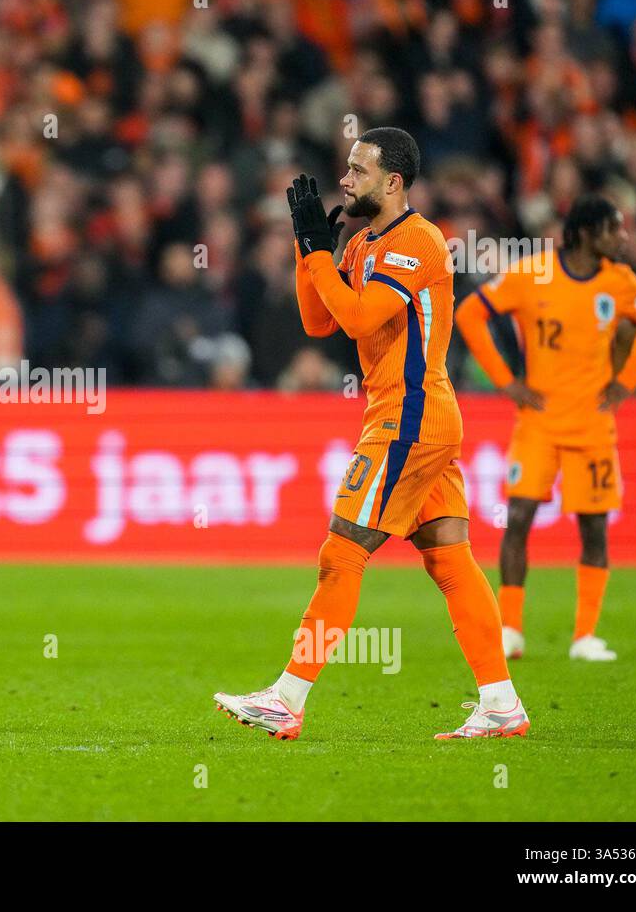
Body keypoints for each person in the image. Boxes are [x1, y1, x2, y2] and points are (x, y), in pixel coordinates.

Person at [214, 128, 528, 740]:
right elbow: (318, 320)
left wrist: (317, 254)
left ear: (394, 183)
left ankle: (287, 697)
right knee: (449, 560)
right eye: (346, 168)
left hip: (407, 420)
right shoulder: (361, 243)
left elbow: (359, 316)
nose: (345, 180)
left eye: (358, 171)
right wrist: (311, 249)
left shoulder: (418, 242)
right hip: (417, 418)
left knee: (341, 553)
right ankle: (500, 702)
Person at [454, 195, 636, 661]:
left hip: (592, 424)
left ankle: (585, 636)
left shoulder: (621, 282)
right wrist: (507, 382)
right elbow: (469, 314)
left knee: (594, 528)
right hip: (540, 422)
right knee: (519, 519)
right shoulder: (532, 274)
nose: (623, 238)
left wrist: (627, 383)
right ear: (587, 233)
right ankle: (510, 630)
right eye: (614, 229)